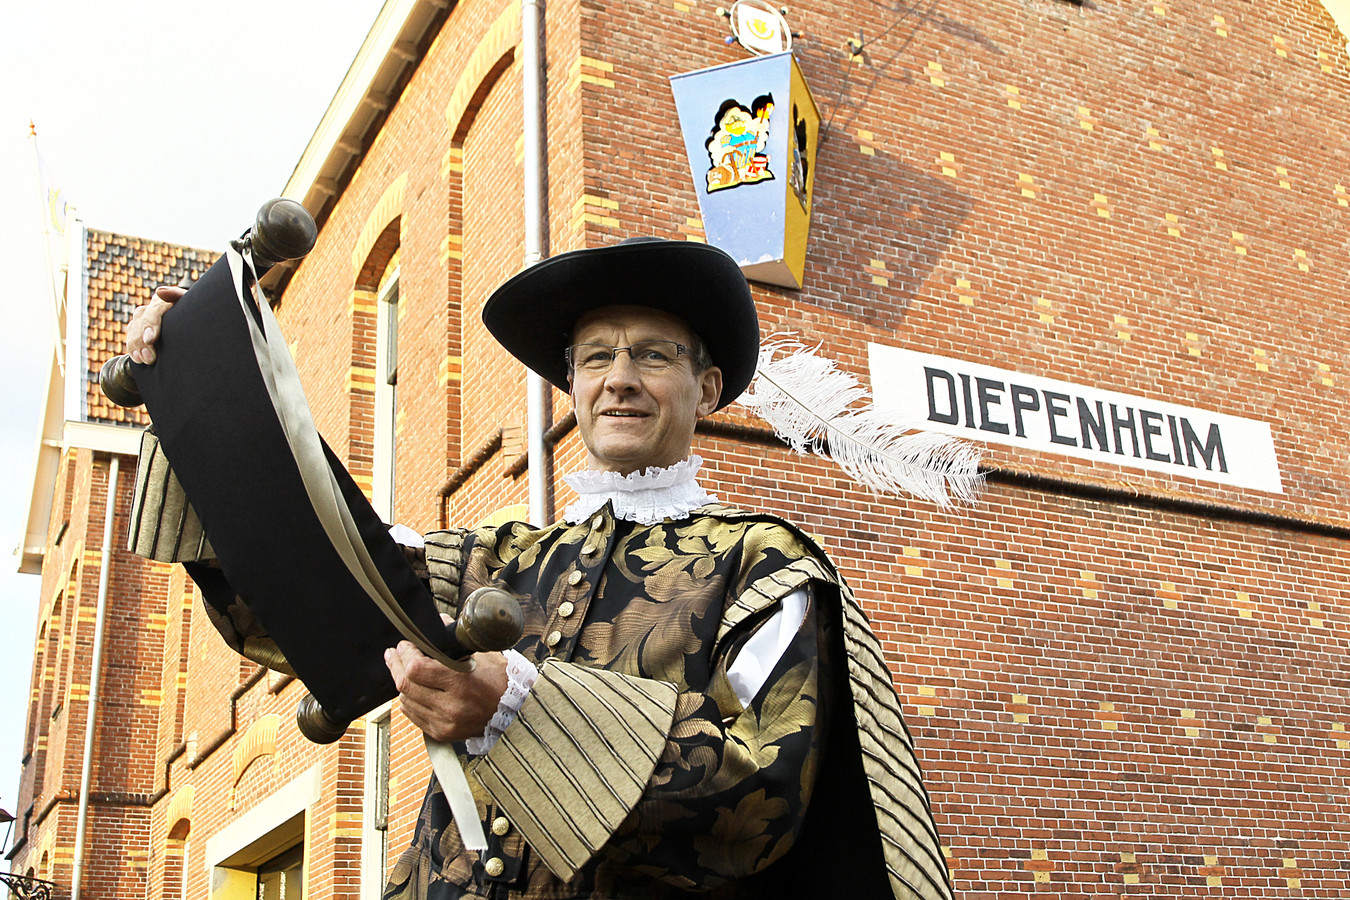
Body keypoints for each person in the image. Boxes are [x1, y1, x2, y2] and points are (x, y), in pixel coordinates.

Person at [126, 238, 952, 900]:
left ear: (705, 389)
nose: (618, 379)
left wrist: (519, 708)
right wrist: (193, 393)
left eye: (652, 356)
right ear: (571, 385)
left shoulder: (762, 563)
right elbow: (306, 598)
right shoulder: (497, 555)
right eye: (594, 358)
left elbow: (759, 796)